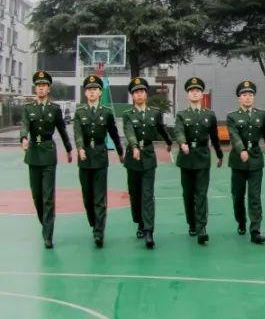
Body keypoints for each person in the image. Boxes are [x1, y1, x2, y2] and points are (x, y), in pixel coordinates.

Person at [20, 70, 73, 249]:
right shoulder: (28, 108)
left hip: (49, 154)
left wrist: (68, 149)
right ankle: (46, 224)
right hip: (33, 153)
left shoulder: (54, 109)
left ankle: (48, 235)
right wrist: (24, 138)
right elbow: (24, 125)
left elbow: (62, 130)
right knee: (37, 196)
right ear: (35, 88)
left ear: (48, 89)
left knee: (48, 197)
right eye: (38, 86)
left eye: (44, 86)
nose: (41, 88)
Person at [72, 74, 124, 248]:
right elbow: (77, 132)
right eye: (89, 90)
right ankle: (94, 222)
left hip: (101, 157)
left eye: (95, 89)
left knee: (100, 197)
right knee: (88, 197)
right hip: (84, 157)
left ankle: (99, 231)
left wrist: (120, 151)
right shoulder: (79, 112)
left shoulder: (107, 113)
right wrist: (80, 148)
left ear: (100, 92)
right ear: (85, 93)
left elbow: (114, 134)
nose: (92, 92)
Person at [122, 76, 172, 249]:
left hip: (149, 156)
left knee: (148, 195)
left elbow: (160, 128)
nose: (139, 95)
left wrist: (169, 141)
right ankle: (140, 222)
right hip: (132, 159)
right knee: (135, 195)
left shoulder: (154, 112)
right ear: (132, 96)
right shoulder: (128, 114)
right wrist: (134, 146)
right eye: (136, 92)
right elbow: (128, 131)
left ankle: (149, 231)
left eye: (142, 91)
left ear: (146, 94)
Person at [226, 80, 265, 244]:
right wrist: (241, 149)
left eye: (250, 95)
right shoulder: (232, 116)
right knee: (238, 196)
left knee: (255, 196)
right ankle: (241, 221)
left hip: (255, 159)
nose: (248, 98)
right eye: (244, 95)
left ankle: (255, 230)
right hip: (238, 161)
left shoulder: (260, 115)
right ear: (239, 98)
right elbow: (233, 135)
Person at [174, 77, 224, 245]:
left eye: (197, 90)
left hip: (202, 157)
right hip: (186, 158)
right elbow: (179, 131)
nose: (194, 93)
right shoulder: (182, 115)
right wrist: (182, 143)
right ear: (188, 95)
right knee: (188, 194)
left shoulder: (209, 115)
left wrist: (219, 154)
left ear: (202, 94)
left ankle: (202, 227)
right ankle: (192, 223)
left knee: (201, 194)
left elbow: (215, 137)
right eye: (191, 91)